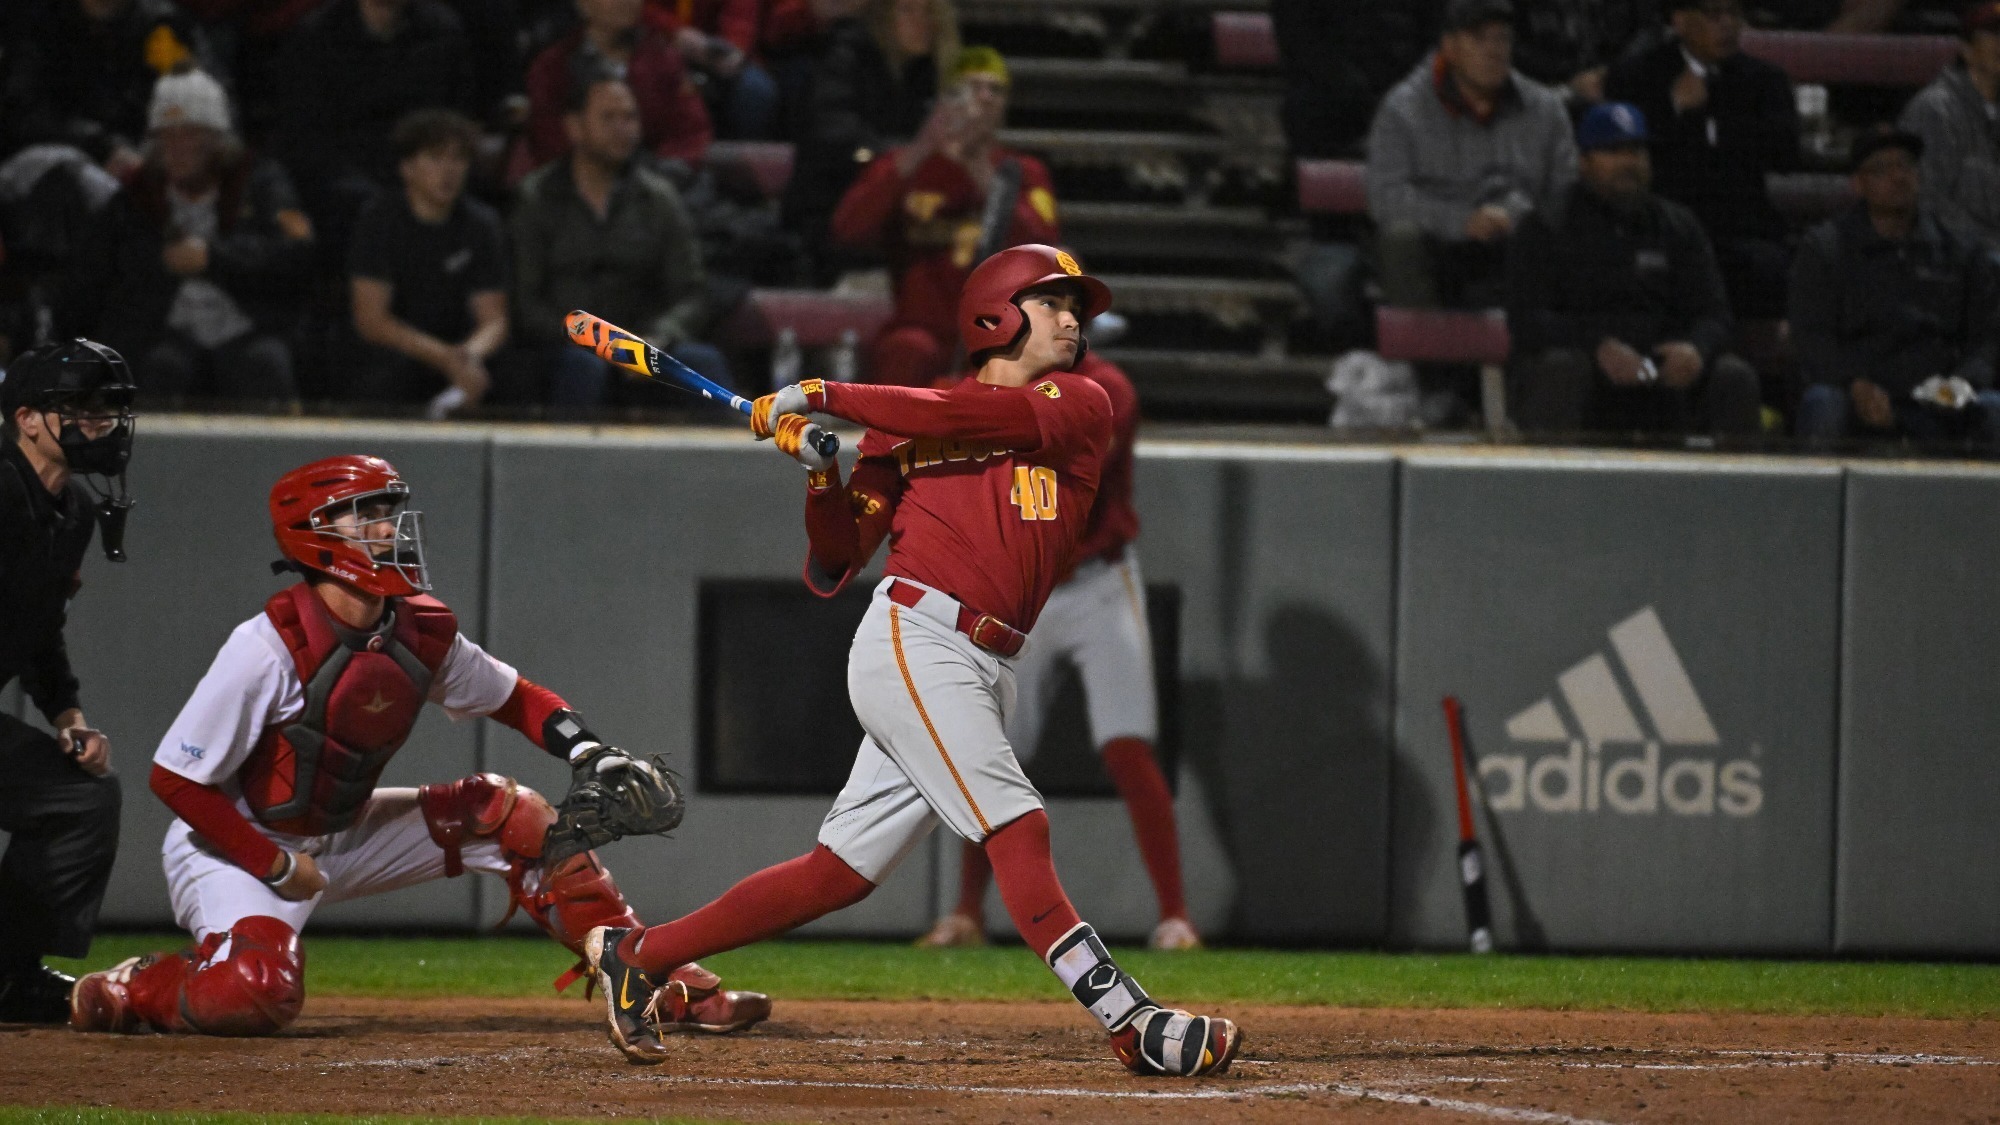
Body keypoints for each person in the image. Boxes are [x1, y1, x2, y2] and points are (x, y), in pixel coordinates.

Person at [582, 245, 1243, 1078]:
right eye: (1052, 302)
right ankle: (1130, 1019)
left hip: (990, 661)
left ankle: (638, 956)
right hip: (915, 638)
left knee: (837, 874)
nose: (1073, 319)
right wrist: (823, 476)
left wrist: (825, 392)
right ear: (996, 312)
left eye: (1077, 307)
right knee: (1019, 822)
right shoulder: (905, 424)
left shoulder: (1082, 401)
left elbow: (974, 418)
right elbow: (836, 558)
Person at [67, 453, 770, 1036]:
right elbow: (174, 780)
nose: (388, 527)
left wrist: (590, 751)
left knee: (512, 814)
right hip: (238, 847)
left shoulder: (418, 630)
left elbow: (517, 698)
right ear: (315, 535)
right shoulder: (266, 646)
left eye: (388, 510)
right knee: (254, 991)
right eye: (365, 514)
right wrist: (274, 865)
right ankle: (136, 985)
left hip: (341, 831)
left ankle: (651, 972)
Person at [916, 346, 1198, 952]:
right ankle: (966, 913)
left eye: (1067, 311)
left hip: (1099, 581)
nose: (1059, 324)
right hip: (1025, 586)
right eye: (1045, 309)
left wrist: (972, 418)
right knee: (991, 751)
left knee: (1127, 746)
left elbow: (1064, 470)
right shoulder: (993, 381)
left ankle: (1176, 917)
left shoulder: (1105, 387)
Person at [0, 339, 136, 1024]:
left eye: (106, 407)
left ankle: (9, 975)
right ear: (26, 418)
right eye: (78, 407)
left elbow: (39, 628)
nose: (98, 421)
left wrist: (69, 717)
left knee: (81, 796)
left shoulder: (73, 509)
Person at [1507, 103, 1760, 438]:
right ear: (1584, 162)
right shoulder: (1547, 225)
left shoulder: (1678, 226)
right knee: (1560, 368)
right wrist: (1597, 346)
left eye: (1637, 151)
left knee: (1734, 377)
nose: (1629, 162)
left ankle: (1738, 473)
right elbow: (1527, 317)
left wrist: (1696, 348)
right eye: (1613, 151)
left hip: (1659, 368)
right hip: (1587, 364)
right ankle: (1550, 472)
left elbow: (1714, 313)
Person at [77, 70, 310, 408]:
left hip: (248, 324)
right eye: (167, 137)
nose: (179, 148)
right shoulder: (136, 197)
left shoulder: (261, 183)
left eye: (192, 136)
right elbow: (98, 273)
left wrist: (214, 257)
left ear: (217, 141)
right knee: (156, 367)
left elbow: (296, 250)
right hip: (164, 329)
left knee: (266, 364)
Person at [830, 47, 1058, 387]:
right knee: (906, 350)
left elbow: (1043, 249)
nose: (983, 99)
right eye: (972, 88)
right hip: (922, 328)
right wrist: (925, 144)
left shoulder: (1023, 172)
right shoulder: (907, 165)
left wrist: (979, 166)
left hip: (1001, 332)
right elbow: (847, 228)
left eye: (995, 90)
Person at [513, 73, 730, 407]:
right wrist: (597, 343)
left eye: (629, 118)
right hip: (564, 346)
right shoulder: (537, 198)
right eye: (608, 118)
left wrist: (659, 337)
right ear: (574, 127)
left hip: (643, 345)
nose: (623, 129)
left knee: (704, 363)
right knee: (583, 369)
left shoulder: (658, 198)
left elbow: (692, 293)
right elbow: (527, 303)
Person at [1790, 128, 2000, 444]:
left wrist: (1963, 383)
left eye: (1905, 165)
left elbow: (1986, 338)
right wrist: (1853, 383)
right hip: (1860, 391)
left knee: (1994, 408)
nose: (1898, 177)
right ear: (1858, 184)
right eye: (1881, 169)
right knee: (1824, 402)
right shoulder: (1826, 249)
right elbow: (1812, 337)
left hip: (1941, 396)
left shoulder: (1960, 250)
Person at [1366, 0, 1578, 311]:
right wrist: (1462, 221)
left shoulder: (1545, 108)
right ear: (1450, 48)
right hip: (1440, 245)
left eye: (1502, 38)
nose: (1494, 50)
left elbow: (1566, 190)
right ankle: (1422, 342)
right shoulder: (1401, 109)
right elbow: (1386, 197)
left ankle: (1551, 338)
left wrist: (1519, 217)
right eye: (1479, 38)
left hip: (1521, 242)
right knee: (1400, 238)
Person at [1605, 0, 1797, 319]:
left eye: (1734, 13)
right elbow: (1623, 152)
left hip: (1739, 224)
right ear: (1680, 21)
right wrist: (1672, 106)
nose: (1727, 24)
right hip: (1661, 222)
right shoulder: (1636, 74)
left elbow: (1786, 154)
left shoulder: (1765, 79)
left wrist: (1719, 128)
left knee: (1769, 266)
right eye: (1713, 14)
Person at [276, 0, 477, 260]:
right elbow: (304, 135)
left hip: (421, 166)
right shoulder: (316, 34)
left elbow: (456, 118)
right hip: (345, 175)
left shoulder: (441, 29)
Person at [348, 109, 508, 416]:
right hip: (403, 349)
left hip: (461, 348)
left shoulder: (481, 224)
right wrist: (444, 358)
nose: (449, 170)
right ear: (407, 168)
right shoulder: (379, 221)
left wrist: (467, 356)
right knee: (385, 374)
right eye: (435, 158)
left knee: (512, 373)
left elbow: (494, 319)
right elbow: (372, 320)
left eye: (458, 159)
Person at [784, 0, 961, 277]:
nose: (922, 21)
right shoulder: (845, 57)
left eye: (930, 12)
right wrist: (900, 158)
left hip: (896, 209)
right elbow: (836, 140)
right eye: (908, 10)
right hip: (832, 208)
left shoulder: (926, 72)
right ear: (882, 15)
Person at [2, 0, 209, 178]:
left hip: (144, 164)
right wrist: (101, 147)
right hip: (62, 162)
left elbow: (200, 100)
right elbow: (22, 111)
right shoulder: (38, 20)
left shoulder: (161, 25)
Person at [524, 0, 714, 174]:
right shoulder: (553, 68)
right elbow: (548, 139)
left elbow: (690, 132)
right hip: (578, 185)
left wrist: (654, 176)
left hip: (661, 178)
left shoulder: (664, 59)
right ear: (583, 4)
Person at [1899, 2, 2000, 252]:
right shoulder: (1935, 110)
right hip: (1953, 262)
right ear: (1967, 49)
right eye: (1994, 35)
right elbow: (1929, 204)